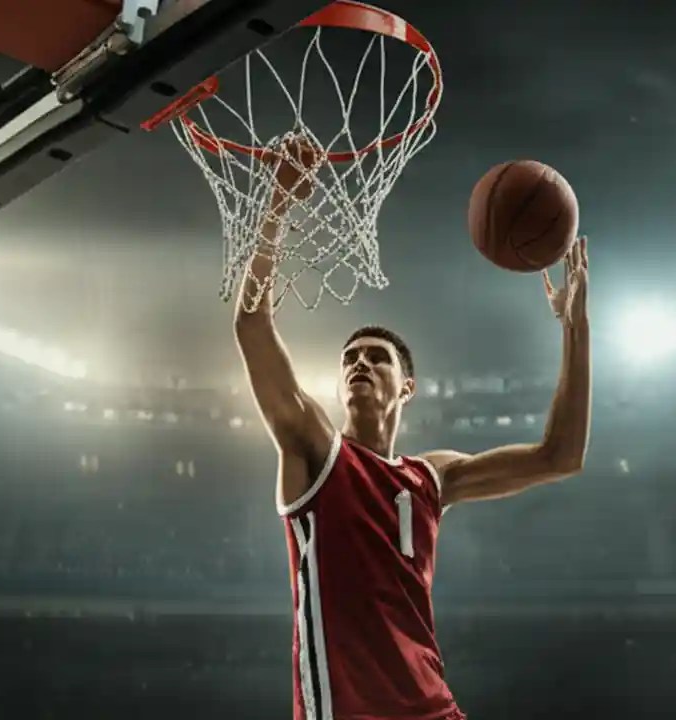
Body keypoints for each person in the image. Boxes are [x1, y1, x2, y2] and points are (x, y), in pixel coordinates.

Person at [233, 139, 592, 720]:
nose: (358, 363)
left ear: (407, 386)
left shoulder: (431, 476)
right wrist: (278, 203)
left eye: (376, 357)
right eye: (349, 357)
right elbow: (252, 323)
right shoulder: (315, 452)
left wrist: (576, 327)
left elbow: (561, 455)